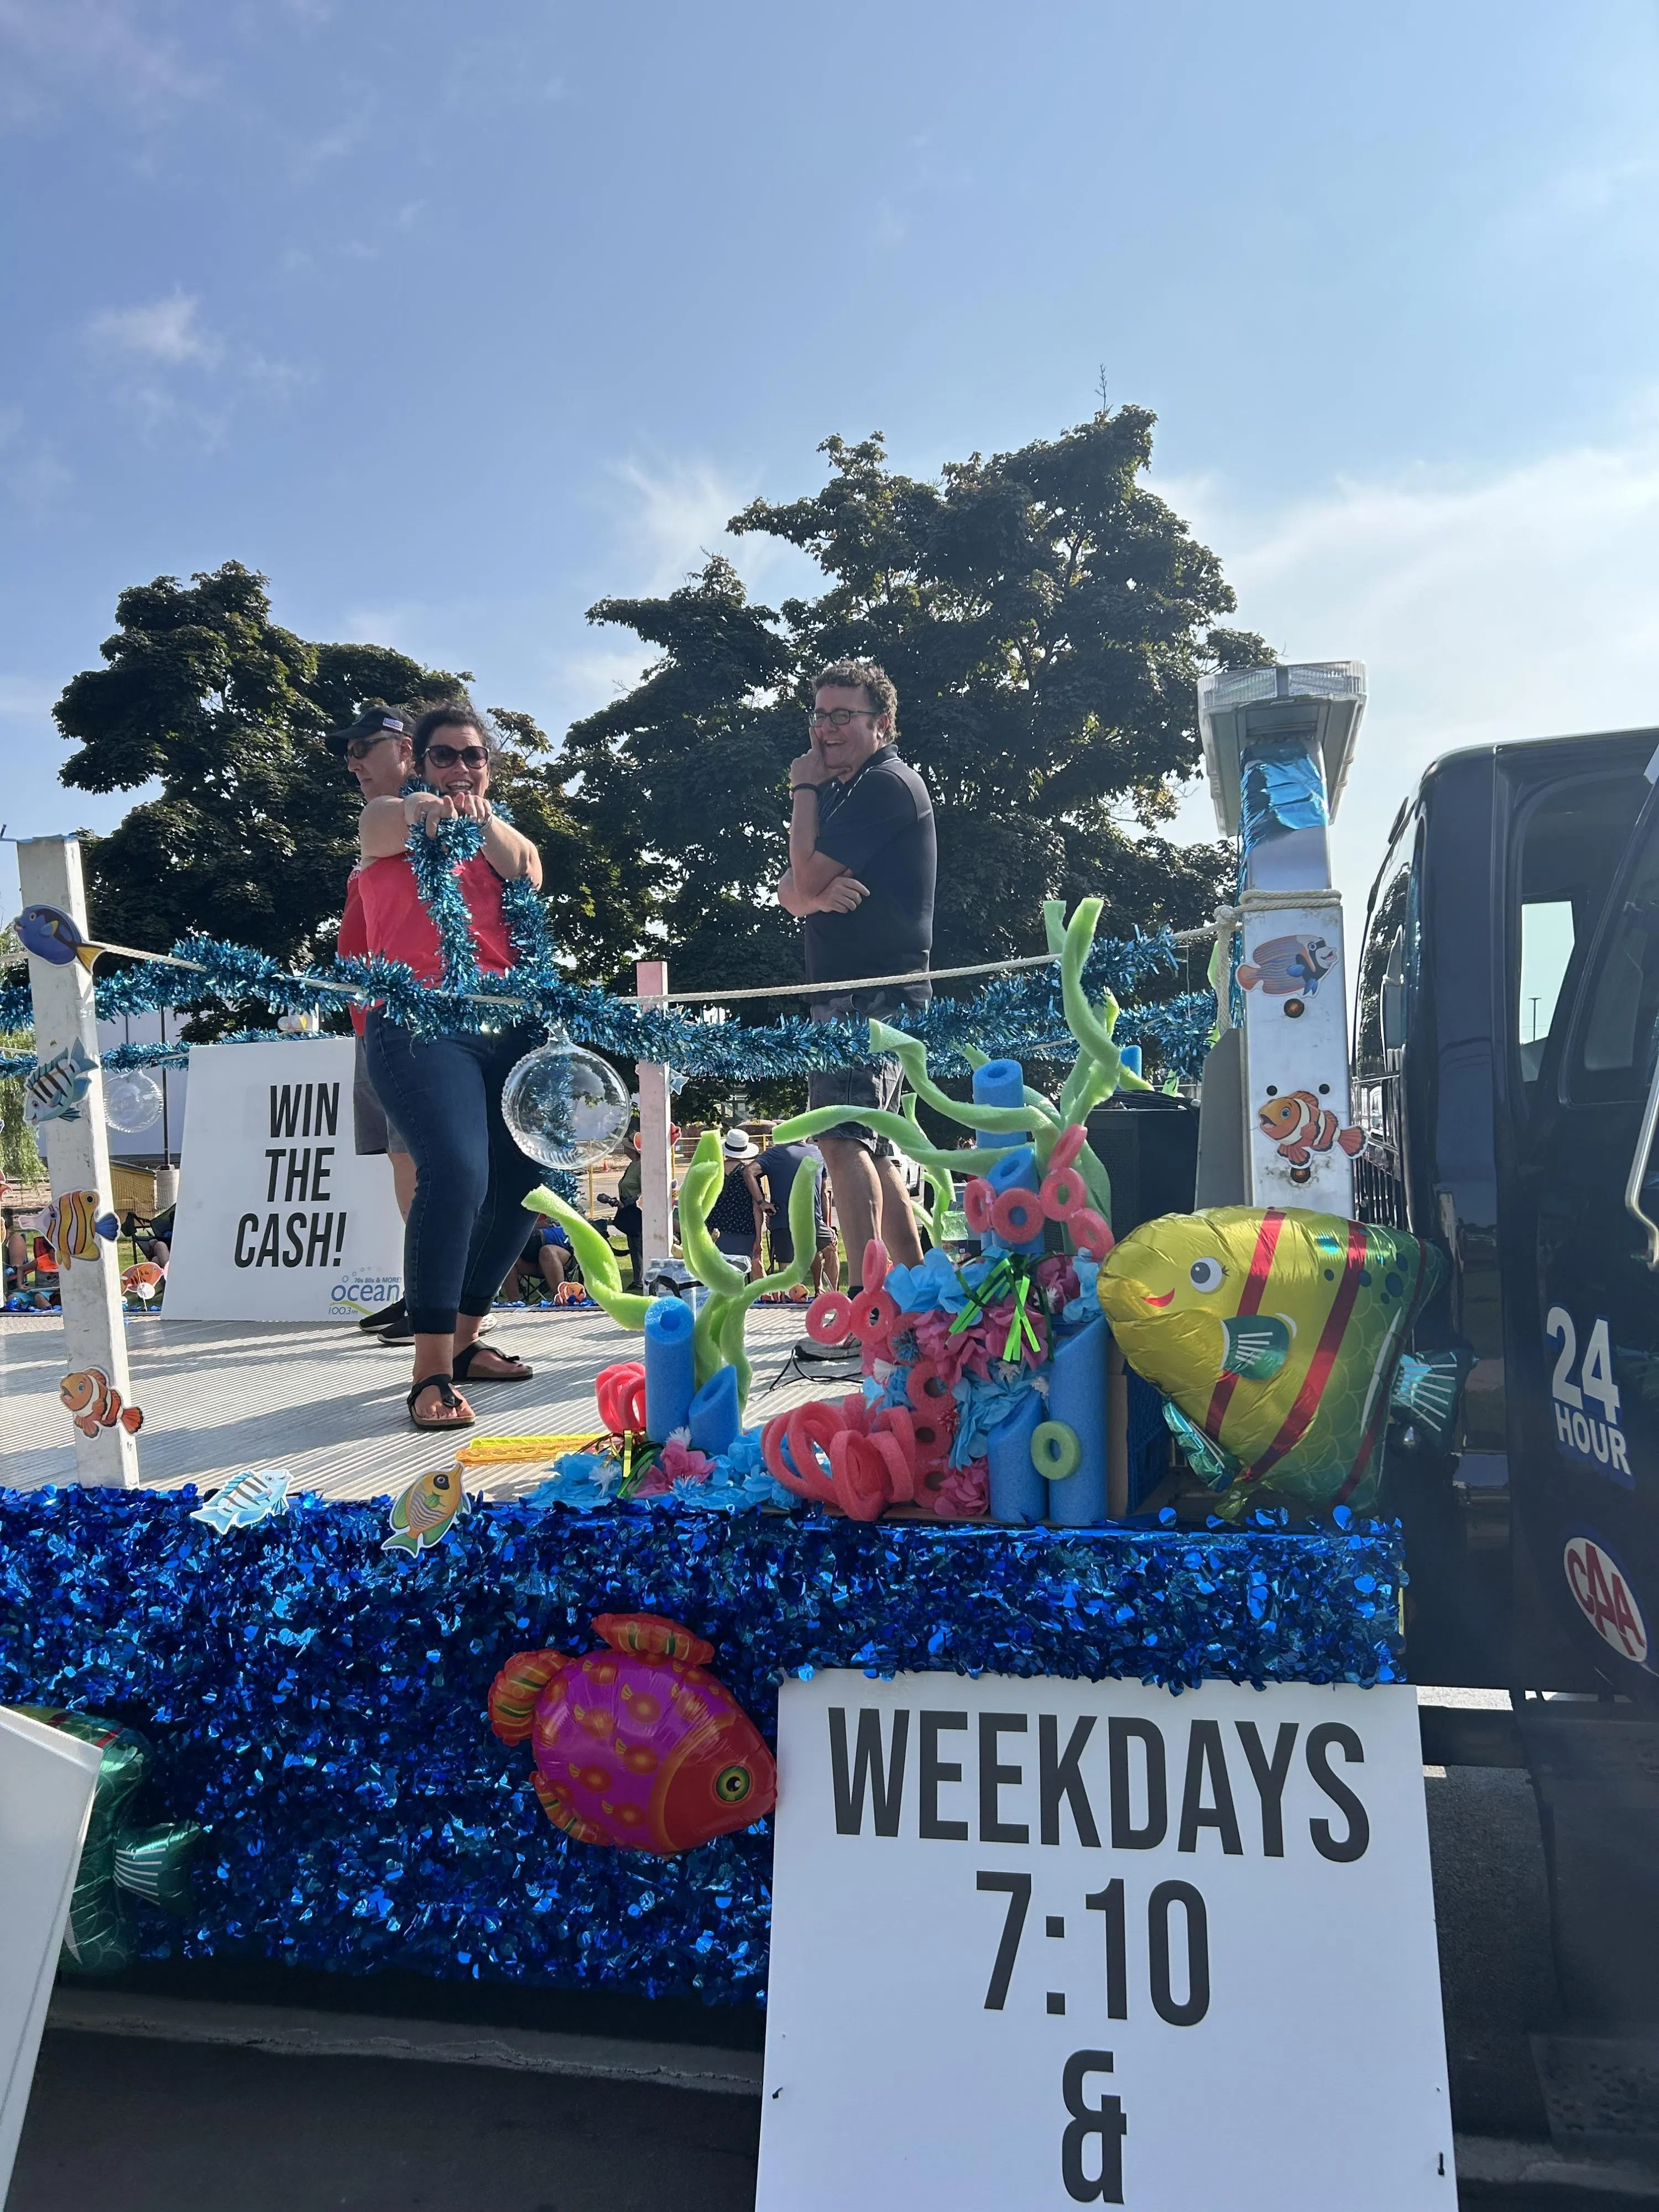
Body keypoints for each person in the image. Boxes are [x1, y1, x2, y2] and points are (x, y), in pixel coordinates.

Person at [356, 701, 545, 1430]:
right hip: (419, 1022)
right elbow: (383, 827)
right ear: (417, 762)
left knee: (528, 1175)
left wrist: (480, 818)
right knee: (458, 1171)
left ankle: (467, 1342)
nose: (461, 767)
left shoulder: (502, 840)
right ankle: (429, 1370)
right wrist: (427, 810)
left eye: (474, 756)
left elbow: (527, 868)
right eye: (444, 756)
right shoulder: (387, 819)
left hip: (504, 1025)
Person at [775, 658, 935, 1289]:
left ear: (884, 723)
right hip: (860, 991)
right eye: (819, 715)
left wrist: (803, 790)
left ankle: (870, 1305)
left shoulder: (883, 784)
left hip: (867, 992)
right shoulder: (855, 790)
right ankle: (915, 1294)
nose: (826, 730)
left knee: (842, 1142)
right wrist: (813, 895)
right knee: (880, 1147)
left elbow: (803, 874)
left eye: (844, 715)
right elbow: (791, 888)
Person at [331, 703, 420, 1343]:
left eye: (366, 746)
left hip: (412, 1017)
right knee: (402, 1161)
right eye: (349, 751)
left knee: (422, 1163)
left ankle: (436, 1297)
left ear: (407, 749)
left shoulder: (429, 814)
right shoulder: (384, 830)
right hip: (375, 1016)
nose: (354, 761)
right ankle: (420, 1288)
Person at [745, 1134, 831, 1281]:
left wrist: (762, 1203)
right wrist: (827, 1224)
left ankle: (793, 1296)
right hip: (812, 1220)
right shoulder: (817, 1152)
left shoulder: (774, 1153)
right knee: (829, 1248)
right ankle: (824, 1292)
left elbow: (749, 1171)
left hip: (783, 1220)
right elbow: (824, 1192)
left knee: (787, 1271)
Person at [706, 1126, 764, 1270]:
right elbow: (757, 1208)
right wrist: (759, 1237)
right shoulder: (750, 1174)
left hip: (715, 1229)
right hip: (744, 1230)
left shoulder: (712, 1172)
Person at [501, 1214, 572, 1303]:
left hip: (563, 1253)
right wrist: (535, 1225)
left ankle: (560, 1298)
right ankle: (514, 1302)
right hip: (531, 1258)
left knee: (547, 1251)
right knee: (507, 1256)